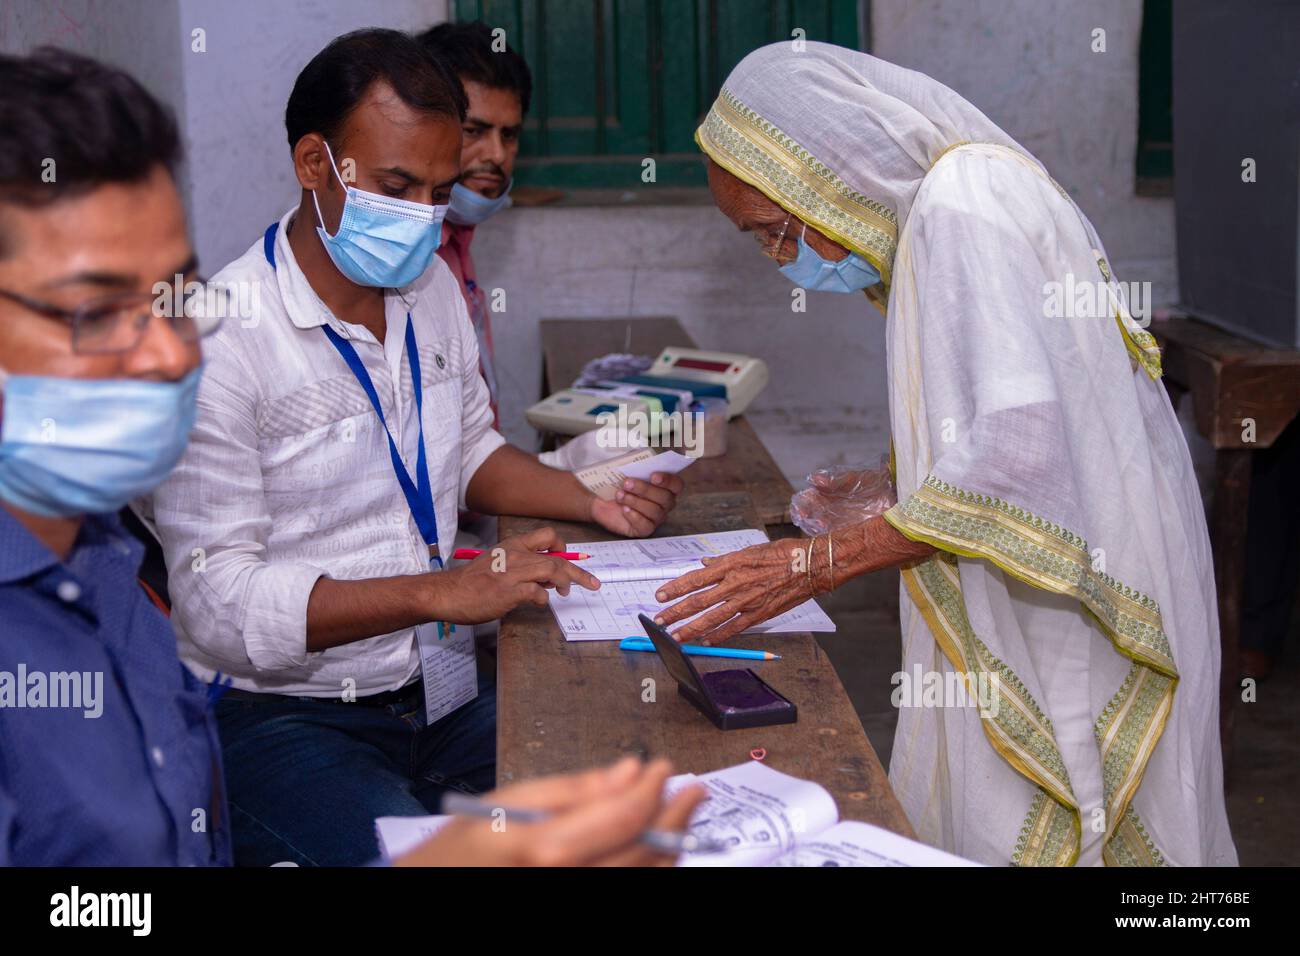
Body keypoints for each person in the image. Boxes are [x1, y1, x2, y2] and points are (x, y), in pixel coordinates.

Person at [0, 46, 703, 867]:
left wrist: (586, 497)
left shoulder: (431, 293)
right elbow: (221, 606)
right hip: (288, 717)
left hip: (435, 689)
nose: (166, 355)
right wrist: (440, 591)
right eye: (397, 188)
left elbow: (465, 444)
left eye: (439, 194)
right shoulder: (231, 341)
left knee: (641, 798)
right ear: (314, 163)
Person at [654, 42, 1237, 867]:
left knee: (1060, 811)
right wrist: (897, 485)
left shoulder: (960, 203)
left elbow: (1021, 454)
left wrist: (811, 566)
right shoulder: (959, 196)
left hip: (1073, 586)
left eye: (776, 232)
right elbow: (1033, 414)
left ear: (825, 170)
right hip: (1072, 549)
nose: (783, 259)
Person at [416, 19, 529, 427]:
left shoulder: (458, 239)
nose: (497, 154)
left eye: (510, 135)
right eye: (474, 131)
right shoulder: (402, 254)